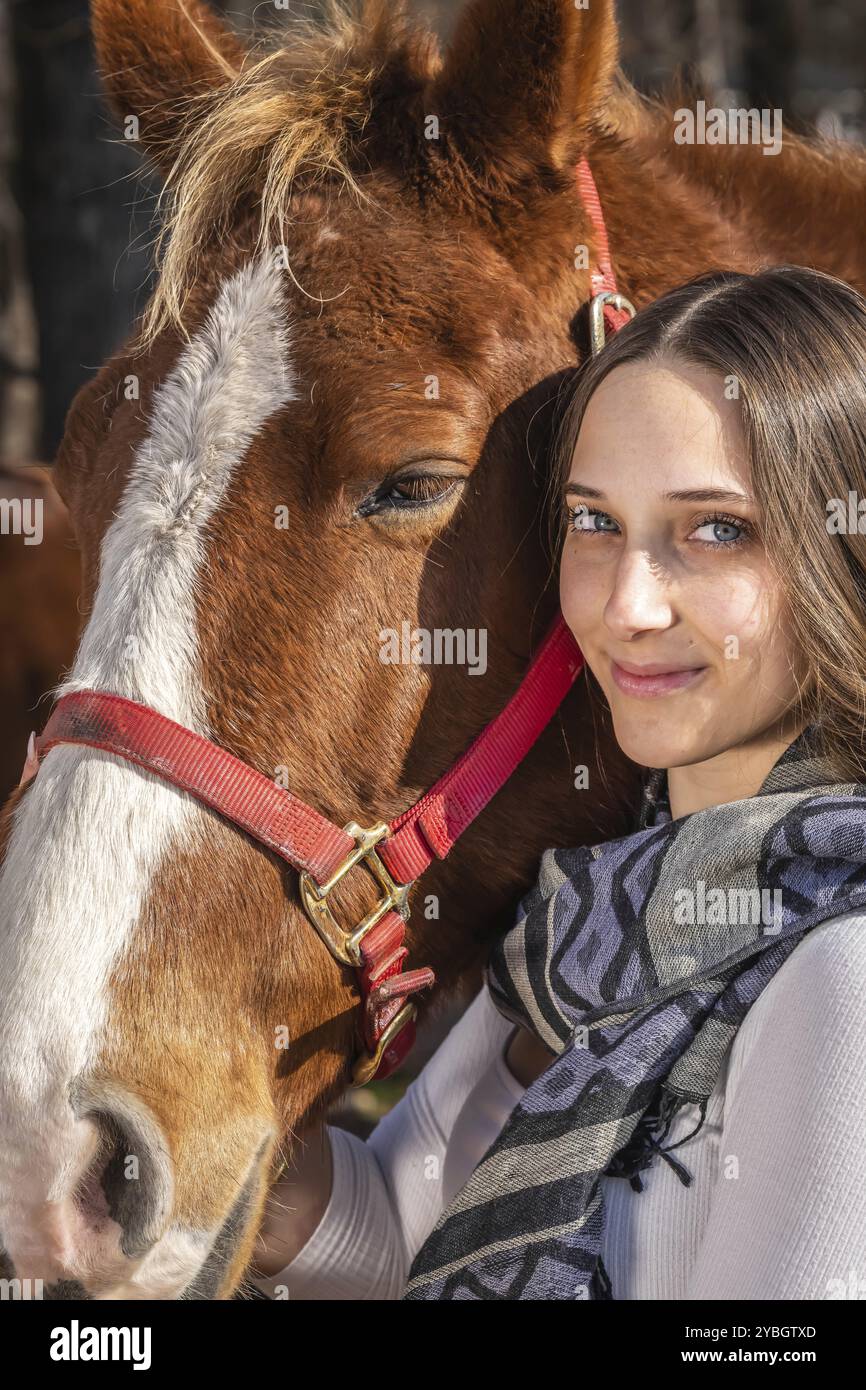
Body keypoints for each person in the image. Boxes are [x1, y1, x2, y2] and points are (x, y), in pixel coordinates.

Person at [249, 266, 866, 1300]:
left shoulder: (840, 975)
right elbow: (404, 1231)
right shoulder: (591, 914)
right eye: (594, 521)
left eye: (714, 528)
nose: (625, 605)